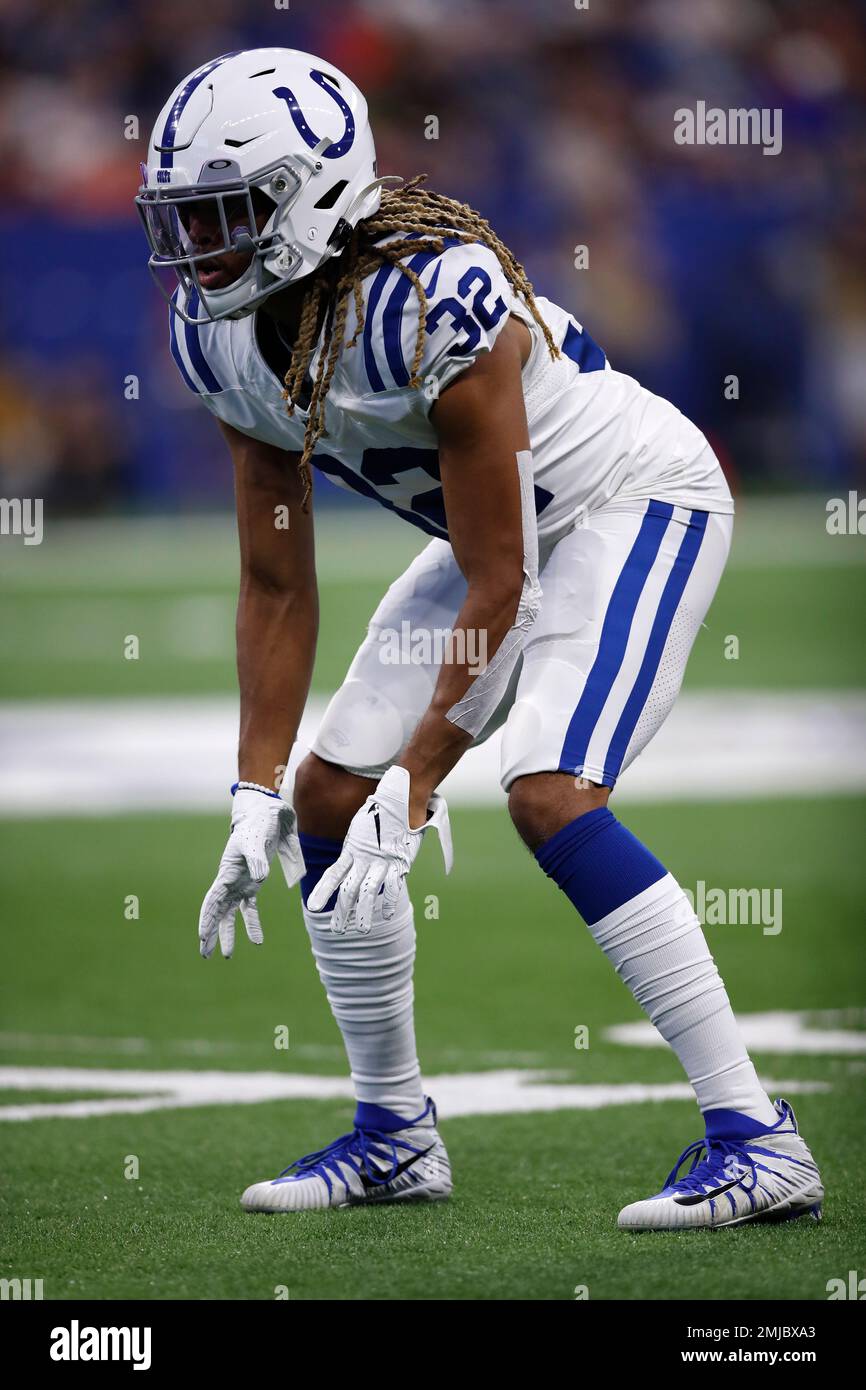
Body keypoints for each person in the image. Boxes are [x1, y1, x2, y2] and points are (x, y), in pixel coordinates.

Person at [136, 47, 823, 1228]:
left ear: (312, 193)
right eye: (183, 218)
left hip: (625, 503)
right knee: (322, 799)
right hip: (495, 538)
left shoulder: (433, 293)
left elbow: (502, 582)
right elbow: (274, 575)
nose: (200, 248)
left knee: (548, 789)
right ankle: (394, 1133)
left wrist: (418, 783)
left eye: (226, 213)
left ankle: (759, 1139)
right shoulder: (221, 335)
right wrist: (251, 784)